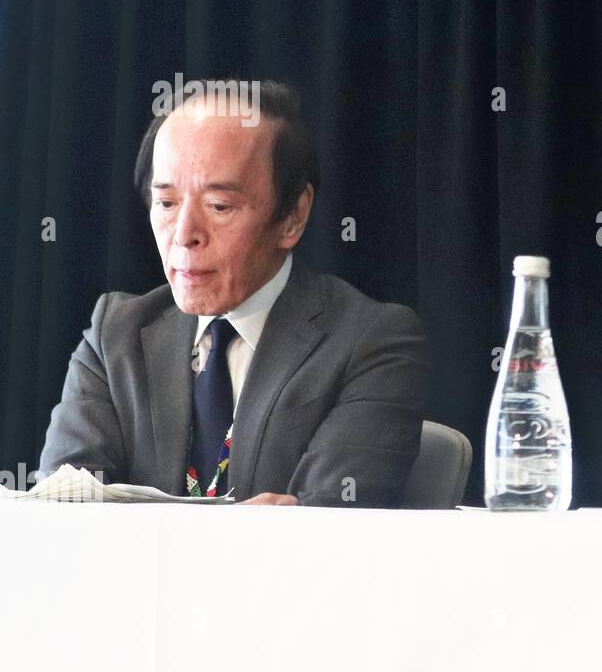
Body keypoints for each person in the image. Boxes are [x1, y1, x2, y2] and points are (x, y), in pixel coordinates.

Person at [40, 79, 431, 507]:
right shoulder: (116, 333)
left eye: (219, 206)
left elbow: (325, 530)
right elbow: (62, 512)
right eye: (167, 204)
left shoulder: (372, 342)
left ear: (293, 216)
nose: (184, 235)